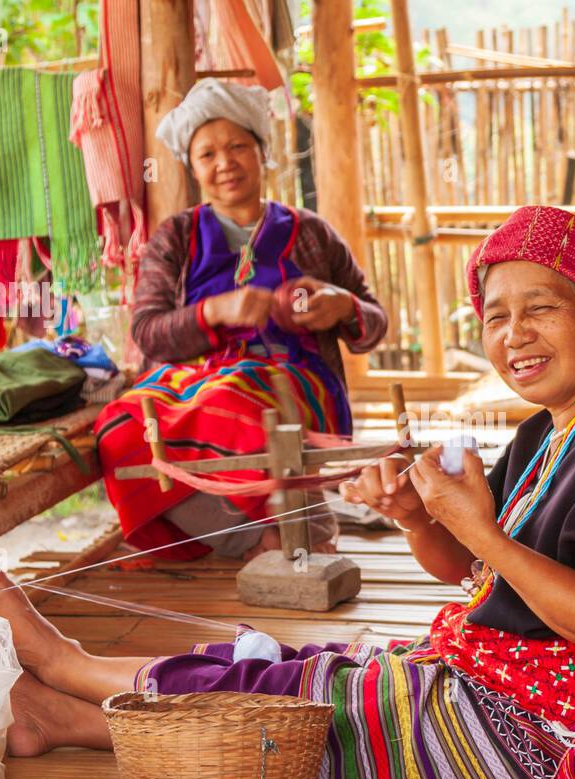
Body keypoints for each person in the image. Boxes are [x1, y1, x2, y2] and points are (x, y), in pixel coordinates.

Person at [0, 206, 575, 779]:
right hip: (536, 689)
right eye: (496, 317)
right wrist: (419, 521)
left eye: (541, 309)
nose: (514, 336)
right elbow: (477, 575)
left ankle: (68, 675)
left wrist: (475, 527)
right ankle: (59, 711)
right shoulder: (552, 425)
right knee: (313, 672)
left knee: (299, 712)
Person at [95, 80, 388, 562]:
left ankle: (298, 521)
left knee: (237, 398)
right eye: (207, 154)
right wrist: (214, 311)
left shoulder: (309, 232)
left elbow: (375, 323)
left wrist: (341, 306)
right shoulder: (175, 237)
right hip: (187, 384)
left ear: (262, 152)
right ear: (193, 167)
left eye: (237, 147)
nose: (224, 162)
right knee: (121, 426)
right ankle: (262, 537)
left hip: (294, 381)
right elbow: (146, 331)